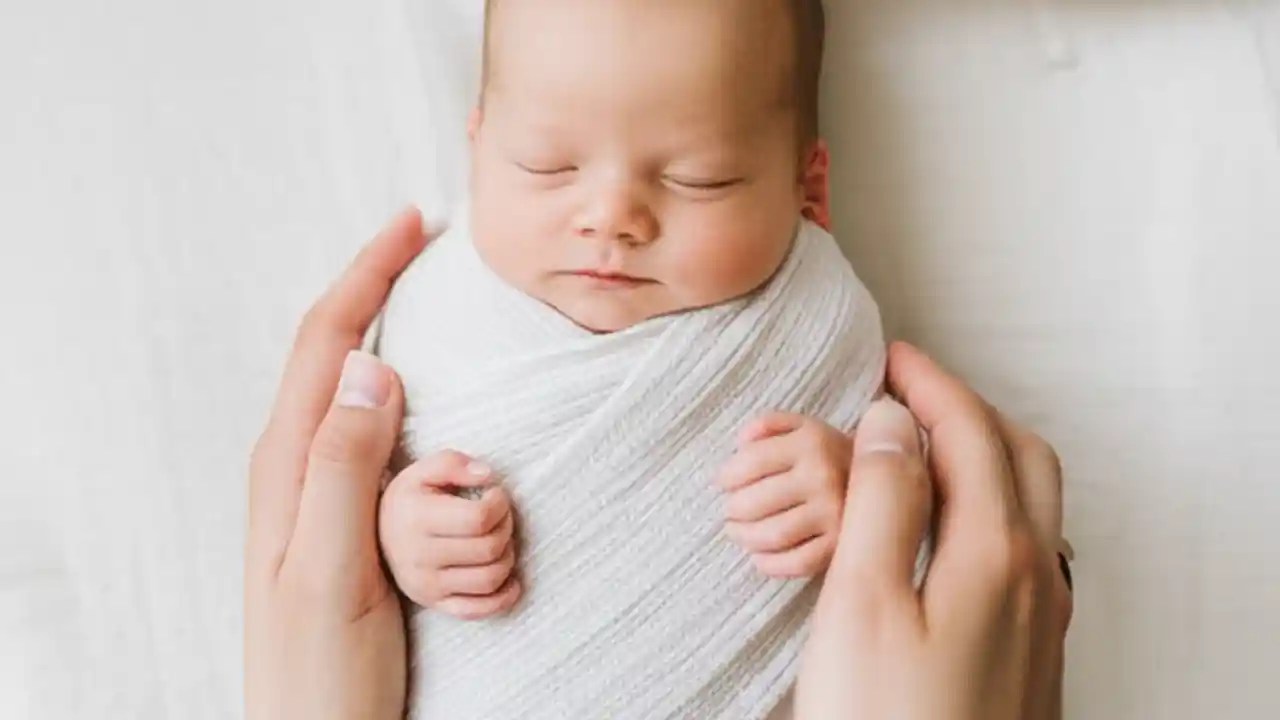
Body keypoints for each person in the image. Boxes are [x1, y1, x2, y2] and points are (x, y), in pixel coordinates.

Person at [244, 211, 1072, 720]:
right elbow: (396, 501)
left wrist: (839, 480)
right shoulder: (450, 311)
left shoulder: (809, 322)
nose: (612, 215)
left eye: (701, 179)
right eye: (550, 162)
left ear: (807, 185)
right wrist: (405, 529)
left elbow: (898, 546)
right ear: (480, 141)